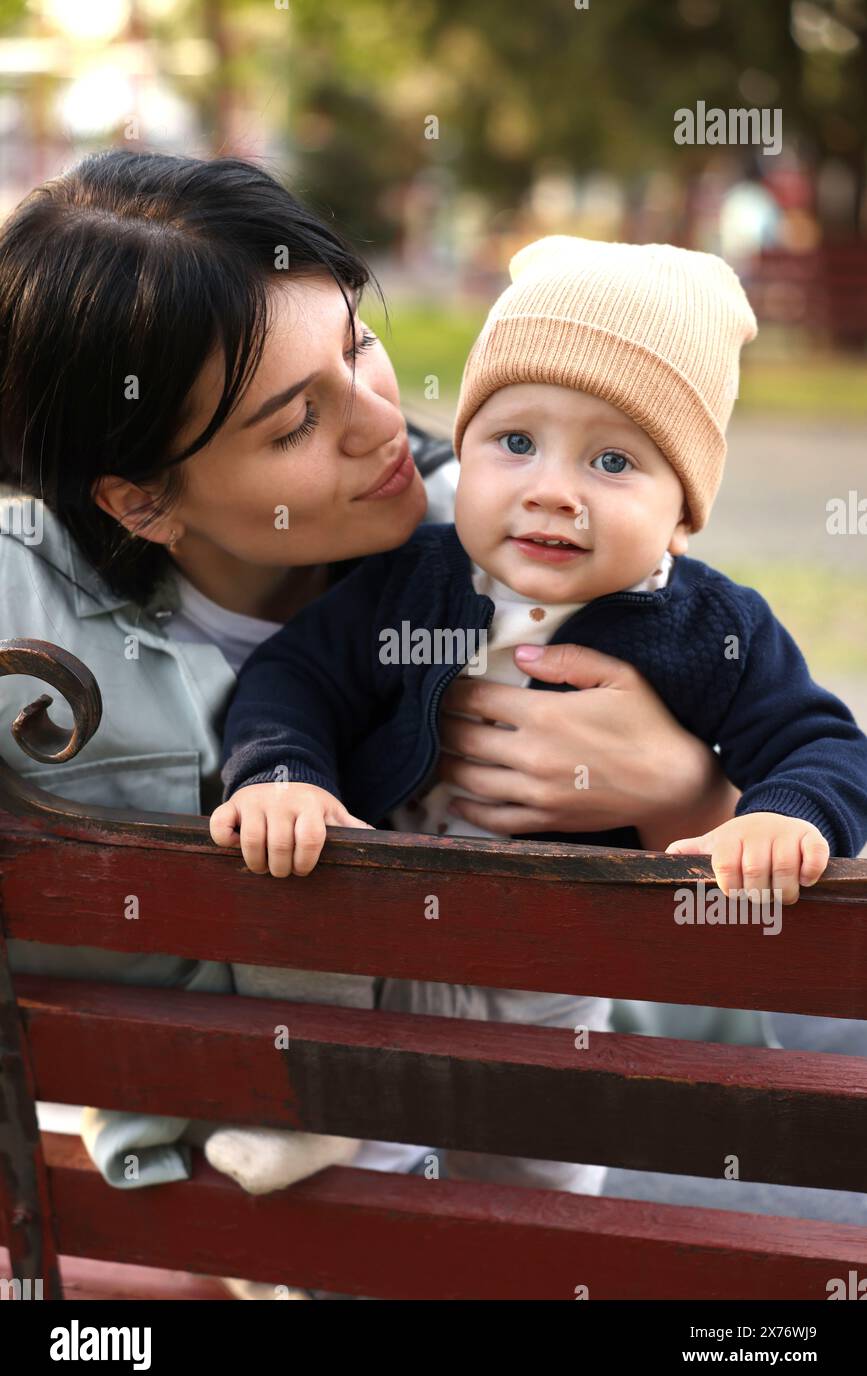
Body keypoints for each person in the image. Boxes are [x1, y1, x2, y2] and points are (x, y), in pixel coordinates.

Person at [0, 154, 741, 1206]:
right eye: (296, 422)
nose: (383, 421)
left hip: (526, 1167)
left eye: (361, 344)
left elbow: (755, 917)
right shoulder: (23, 615)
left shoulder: (512, 551)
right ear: (141, 503)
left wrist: (683, 792)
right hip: (214, 1190)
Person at [210, 234, 867, 1199]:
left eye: (611, 460)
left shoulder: (711, 625)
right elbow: (295, 678)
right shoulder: (413, 581)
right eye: (514, 443)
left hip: (545, 948)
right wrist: (282, 776)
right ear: (464, 453)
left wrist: (781, 816)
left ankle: (536, 1226)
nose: (551, 489)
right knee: (291, 914)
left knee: (536, 1149)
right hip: (373, 916)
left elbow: (819, 743)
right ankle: (312, 1114)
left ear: (682, 513)